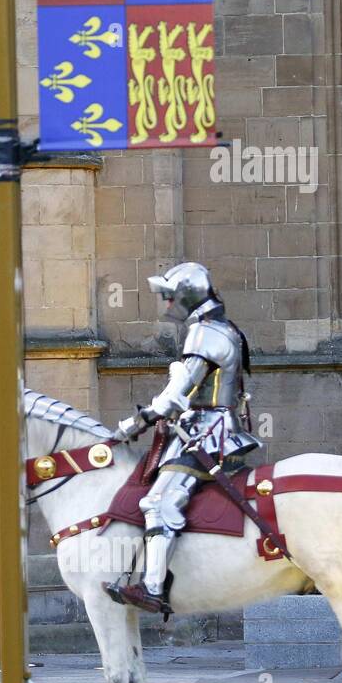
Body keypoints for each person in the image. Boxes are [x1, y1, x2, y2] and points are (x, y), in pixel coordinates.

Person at [107, 262, 261, 614]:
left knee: (159, 502)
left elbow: (179, 393)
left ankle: (153, 588)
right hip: (200, 426)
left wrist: (137, 421)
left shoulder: (206, 333)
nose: (165, 306)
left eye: (169, 298)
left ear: (186, 297)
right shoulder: (219, 328)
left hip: (207, 432)